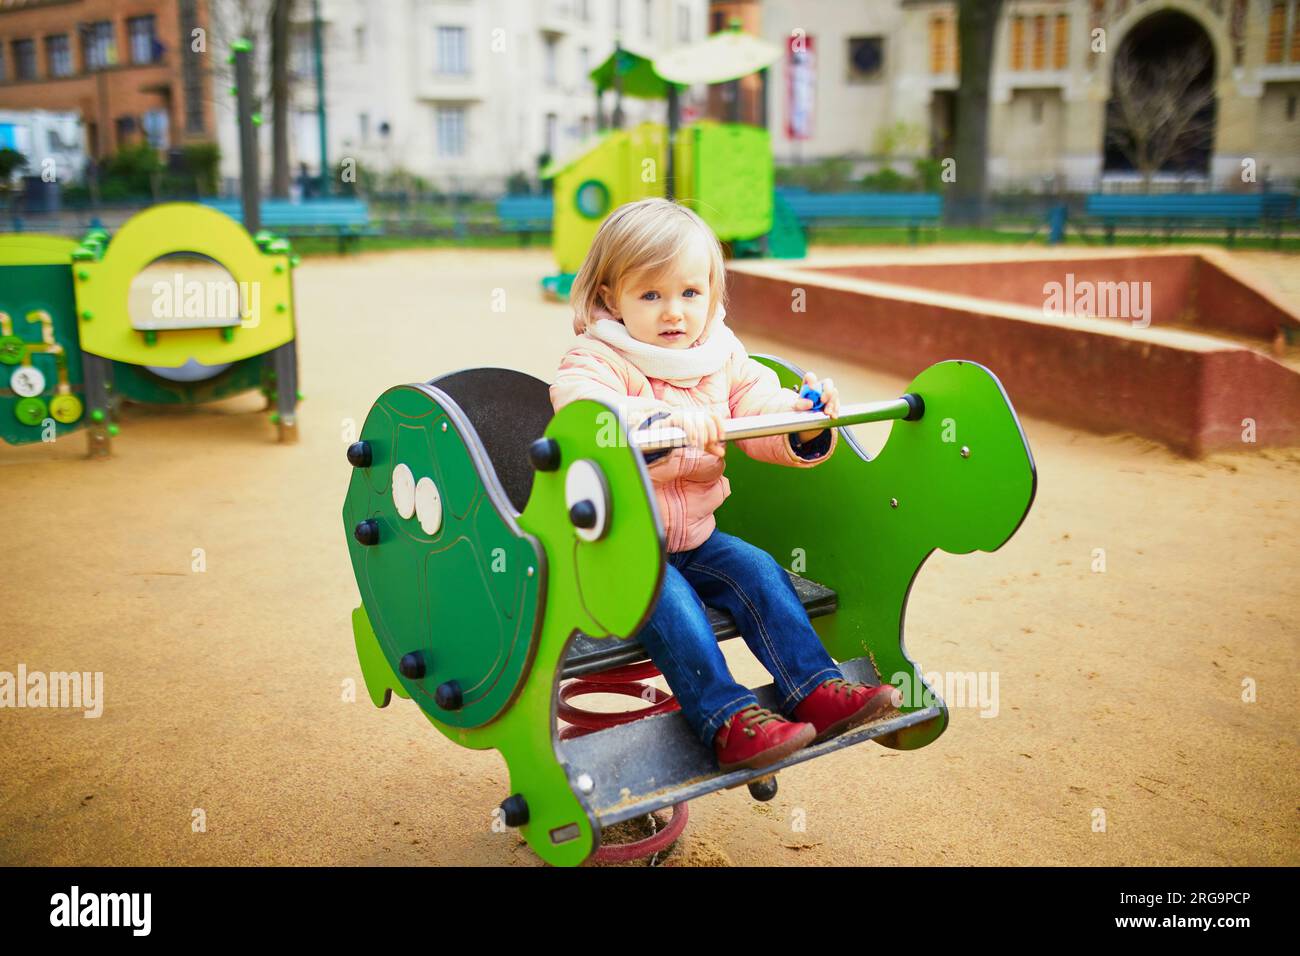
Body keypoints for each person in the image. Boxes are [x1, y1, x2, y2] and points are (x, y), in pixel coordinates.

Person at [550, 198, 899, 772]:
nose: (674, 314)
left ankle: (812, 686)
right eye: (651, 295)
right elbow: (589, 417)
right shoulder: (596, 360)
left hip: (696, 540)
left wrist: (803, 418)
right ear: (611, 296)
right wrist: (661, 424)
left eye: (690, 294)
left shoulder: (719, 355)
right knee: (674, 604)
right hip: (617, 553)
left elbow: (757, 404)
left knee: (760, 570)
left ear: (713, 292)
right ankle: (728, 720)